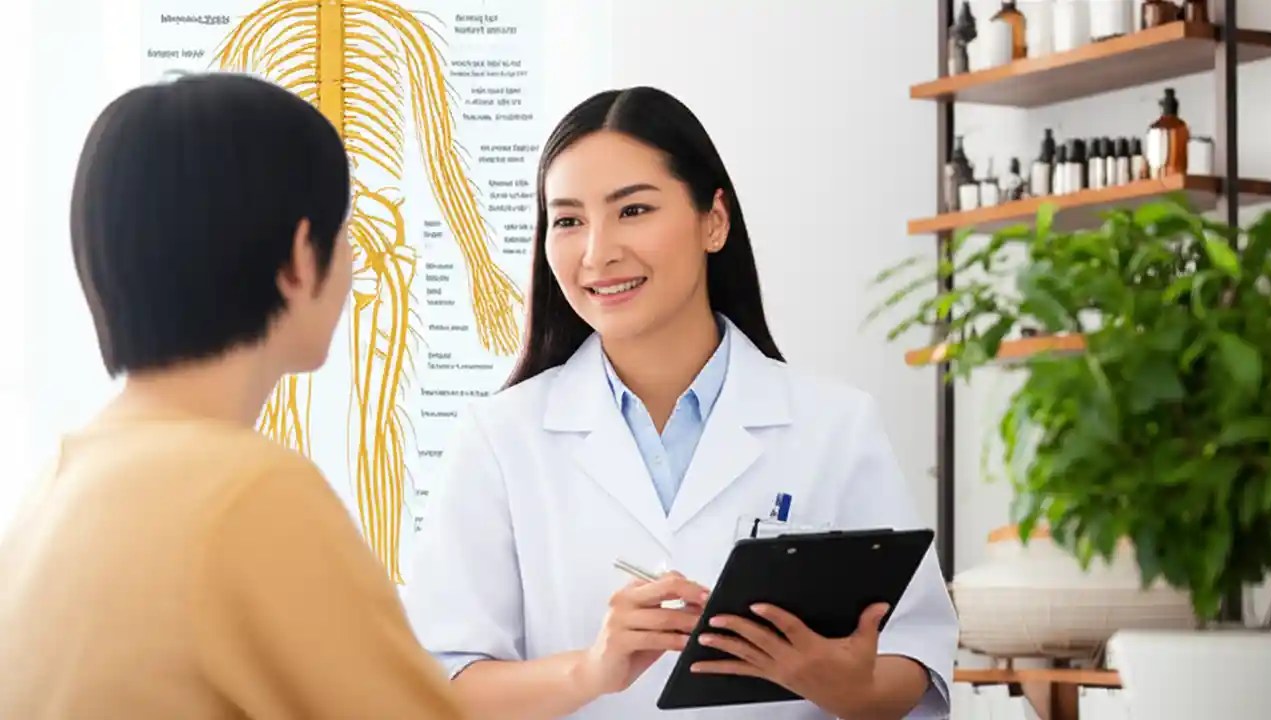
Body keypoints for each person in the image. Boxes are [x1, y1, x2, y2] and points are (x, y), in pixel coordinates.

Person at [404, 86, 958, 719]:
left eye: (633, 210)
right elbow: (443, 685)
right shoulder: (500, 438)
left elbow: (916, 659)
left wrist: (837, 681)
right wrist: (591, 671)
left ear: (713, 221)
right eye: (568, 220)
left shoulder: (834, 424)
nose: (597, 251)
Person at [0, 73, 464, 720]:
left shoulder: (56, 483)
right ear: (301, 255)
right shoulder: (251, 495)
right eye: (344, 230)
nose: (354, 260)